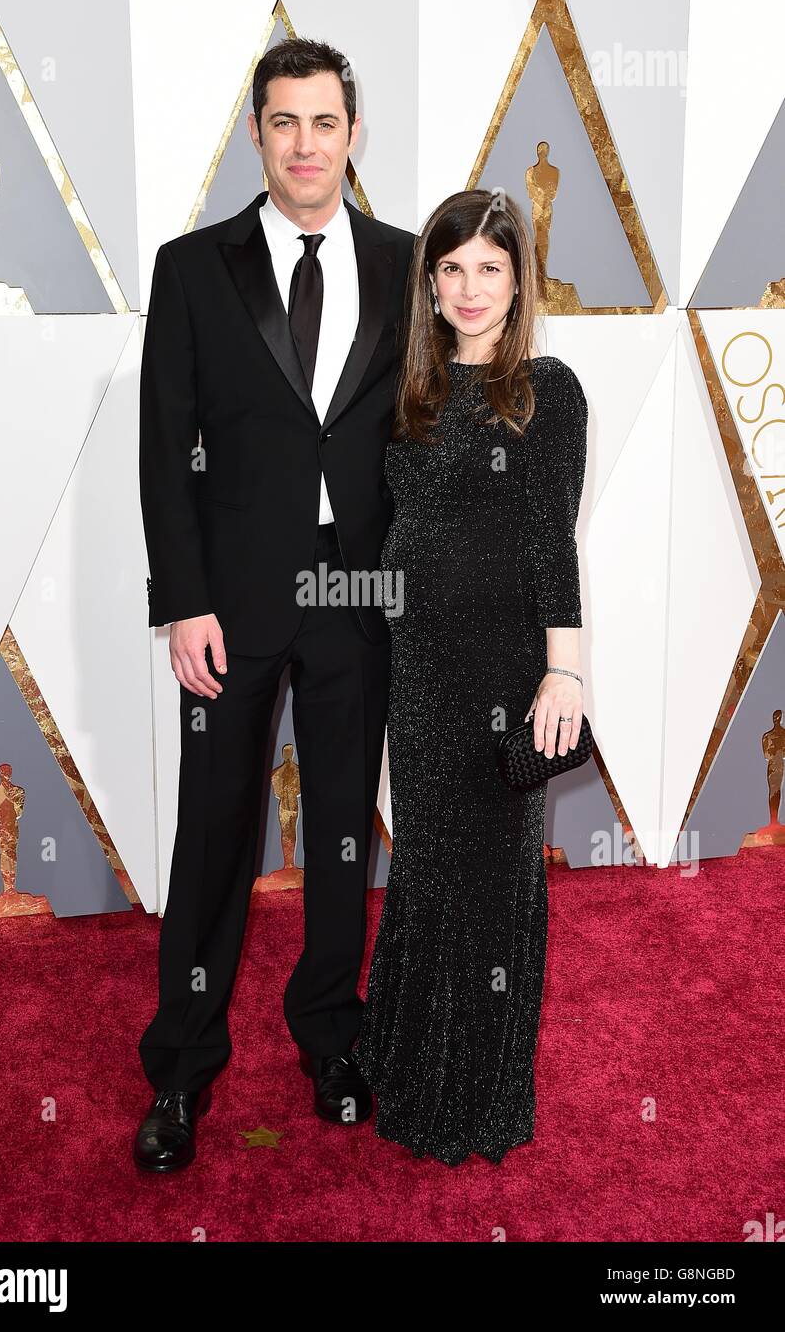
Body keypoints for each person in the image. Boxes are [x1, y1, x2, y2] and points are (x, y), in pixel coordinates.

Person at [134, 37, 415, 1173]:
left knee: (345, 825)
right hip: (235, 597)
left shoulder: (405, 264)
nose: (306, 144)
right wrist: (182, 601)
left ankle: (330, 1039)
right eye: (284, 122)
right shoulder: (193, 266)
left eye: (325, 123)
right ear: (256, 132)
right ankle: (181, 1072)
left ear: (354, 135)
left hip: (359, 587)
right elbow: (163, 448)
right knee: (214, 835)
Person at [353, 188, 589, 1166]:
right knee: (423, 869)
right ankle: (406, 1066)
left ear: (517, 279)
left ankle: (475, 1095)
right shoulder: (410, 392)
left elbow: (549, 540)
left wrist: (562, 670)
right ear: (432, 282)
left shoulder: (544, 388)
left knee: (490, 885)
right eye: (451, 267)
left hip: (500, 672)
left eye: (488, 267)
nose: (469, 286)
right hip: (416, 670)